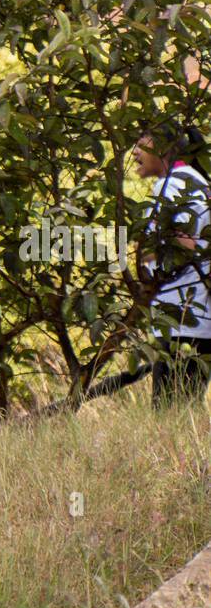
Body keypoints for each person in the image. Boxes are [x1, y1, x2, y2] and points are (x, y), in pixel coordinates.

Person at [134, 123, 211, 403]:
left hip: (180, 319)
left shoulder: (174, 183)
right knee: (183, 414)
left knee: (168, 413)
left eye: (140, 142)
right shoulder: (197, 180)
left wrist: (140, 250)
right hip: (197, 318)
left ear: (160, 146)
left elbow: (185, 242)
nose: (133, 153)